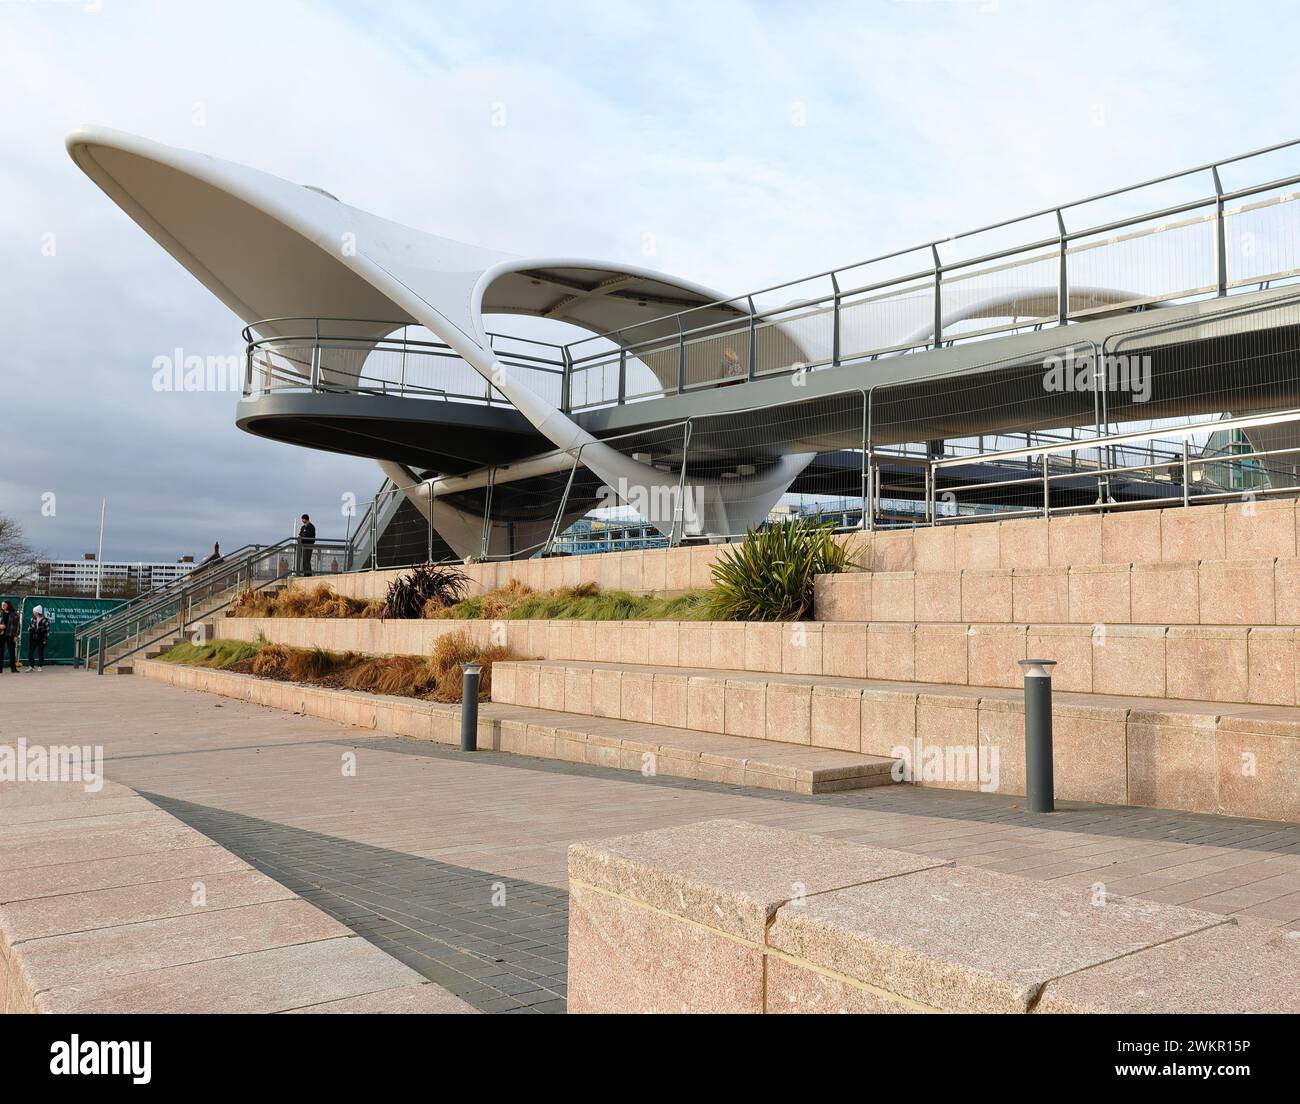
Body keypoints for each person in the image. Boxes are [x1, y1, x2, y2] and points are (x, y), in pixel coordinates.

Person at [25, 605, 50, 672]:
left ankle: (39, 666)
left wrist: (45, 639)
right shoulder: (32, 619)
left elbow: (47, 631)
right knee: (30, 653)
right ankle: (31, 667)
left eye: (34, 611)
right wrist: (30, 629)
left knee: (40, 653)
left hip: (41, 639)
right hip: (33, 638)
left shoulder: (45, 620)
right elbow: (29, 627)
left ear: (38, 612)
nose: (33, 612)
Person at [0, 601, 19, 674]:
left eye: (4, 604)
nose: (3, 606)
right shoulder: (0, 613)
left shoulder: (14, 614)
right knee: (0, 652)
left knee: (12, 652)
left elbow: (18, 626)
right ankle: (0, 669)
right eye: (2, 605)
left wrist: (16, 636)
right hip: (1, 635)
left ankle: (13, 668)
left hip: (11, 635)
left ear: (8, 605)